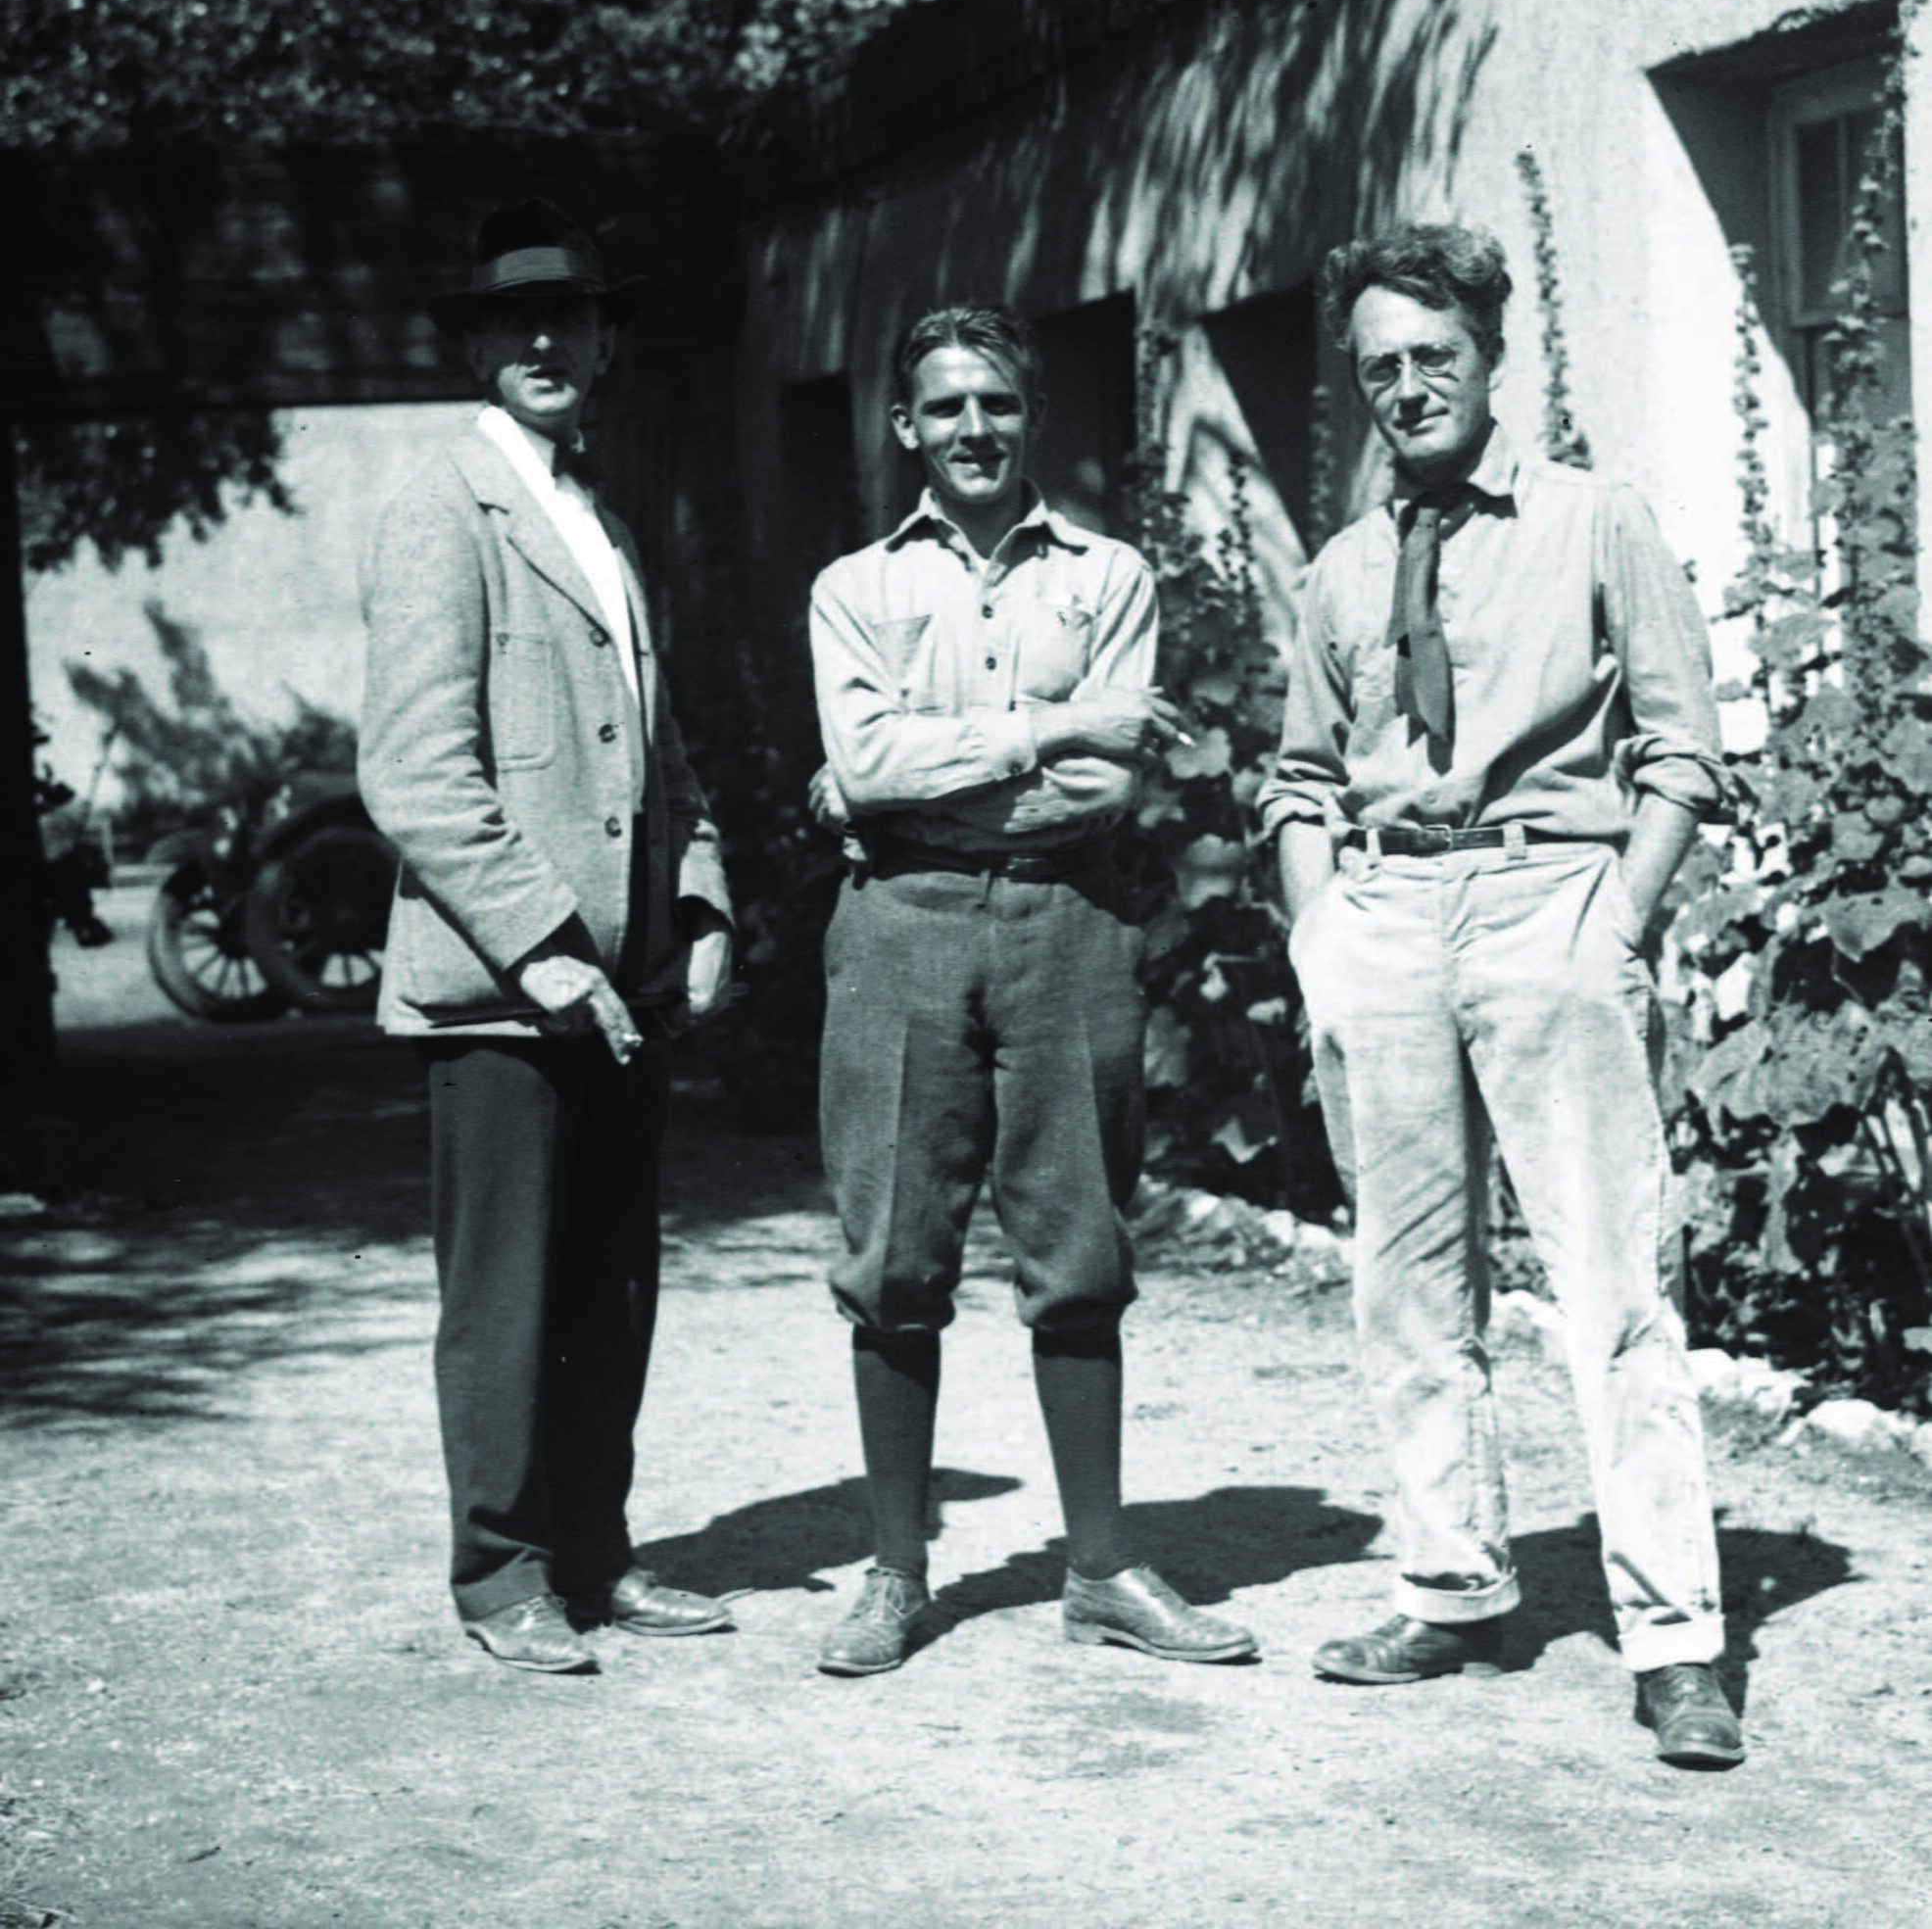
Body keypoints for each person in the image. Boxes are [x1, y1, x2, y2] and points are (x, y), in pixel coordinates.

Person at [1261, 223, 1743, 1768]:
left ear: (1491, 357)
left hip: (1552, 903)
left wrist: (1618, 919)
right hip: (1388, 922)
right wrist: (1317, 927)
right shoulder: (1342, 567)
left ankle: (1674, 1640)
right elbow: (1297, 776)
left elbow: (1681, 746)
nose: (1409, 387)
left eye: (1434, 357)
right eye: (1380, 367)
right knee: (1407, 1290)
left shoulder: (1598, 523)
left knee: (1612, 1288)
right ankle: (1450, 1583)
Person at [805, 303, 1258, 1677]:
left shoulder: (1108, 576)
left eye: (996, 404)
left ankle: (1105, 1566)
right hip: (900, 926)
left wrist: (917, 769)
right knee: (893, 1252)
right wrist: (1052, 725)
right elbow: (873, 766)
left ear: (1029, 417)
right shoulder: (854, 590)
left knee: (1079, 1246)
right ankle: (895, 1572)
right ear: (907, 428)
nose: (973, 430)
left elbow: (1106, 790)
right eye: (945, 407)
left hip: (1069, 923)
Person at [359, 199, 736, 1674]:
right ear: (473, 349)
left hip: (629, 976)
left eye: (570, 319)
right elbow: (413, 771)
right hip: (508, 988)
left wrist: (698, 897)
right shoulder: (440, 508)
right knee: (507, 1291)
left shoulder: (603, 519)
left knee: (610, 1281)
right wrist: (543, 944)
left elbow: (663, 748)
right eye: (514, 324)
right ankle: (502, 1569)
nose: (544, 342)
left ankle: (596, 1546)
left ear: (603, 342)